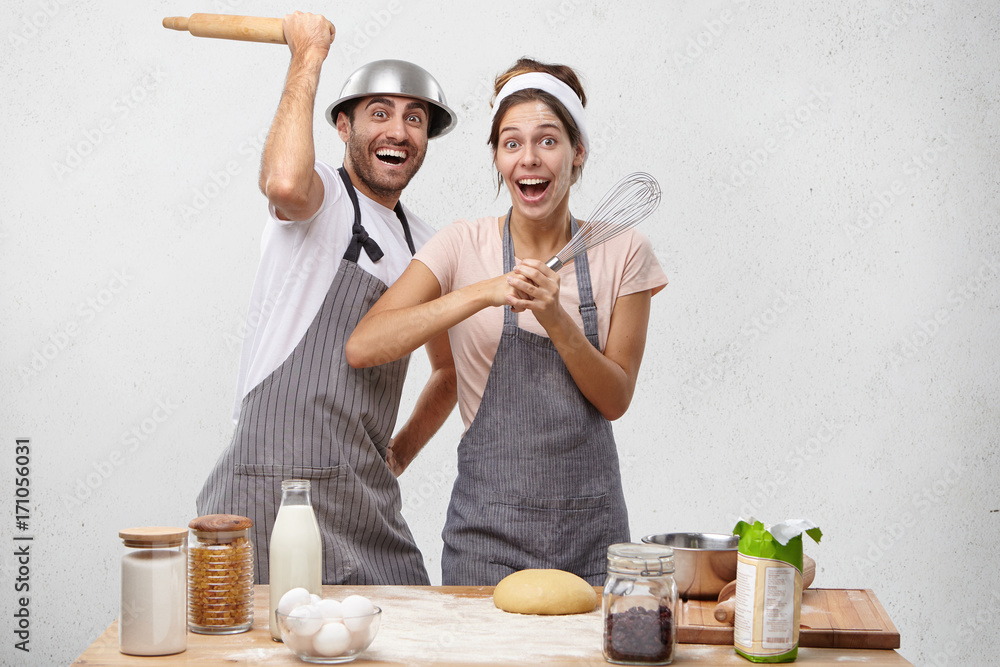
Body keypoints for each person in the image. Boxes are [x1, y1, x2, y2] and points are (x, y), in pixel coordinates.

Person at [345, 58, 668, 585]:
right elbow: (365, 344)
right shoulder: (459, 244)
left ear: (577, 152)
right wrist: (484, 292)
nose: (529, 159)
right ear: (497, 157)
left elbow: (616, 398)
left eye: (548, 140)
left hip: (593, 537)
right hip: (485, 541)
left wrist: (556, 318)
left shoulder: (623, 249)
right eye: (511, 143)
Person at [196, 11, 458, 586]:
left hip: (363, 494)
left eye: (415, 119)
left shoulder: (430, 245)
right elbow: (283, 184)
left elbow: (449, 371)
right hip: (272, 486)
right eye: (379, 113)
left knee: (403, 631)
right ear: (343, 126)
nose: (399, 130)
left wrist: (398, 455)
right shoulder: (322, 199)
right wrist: (306, 56)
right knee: (265, 644)